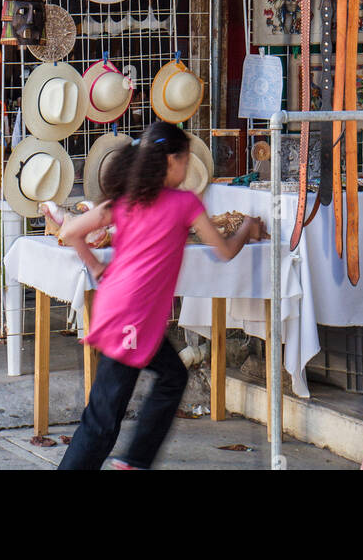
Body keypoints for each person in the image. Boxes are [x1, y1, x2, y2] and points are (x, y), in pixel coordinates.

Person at [58, 121, 264, 471]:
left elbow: (70, 230)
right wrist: (247, 228)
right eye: (185, 160)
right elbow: (225, 251)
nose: (187, 169)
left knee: (171, 376)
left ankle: (135, 459)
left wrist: (94, 266)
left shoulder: (125, 201)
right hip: (133, 321)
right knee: (102, 422)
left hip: (124, 313)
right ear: (171, 161)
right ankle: (131, 460)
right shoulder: (184, 203)